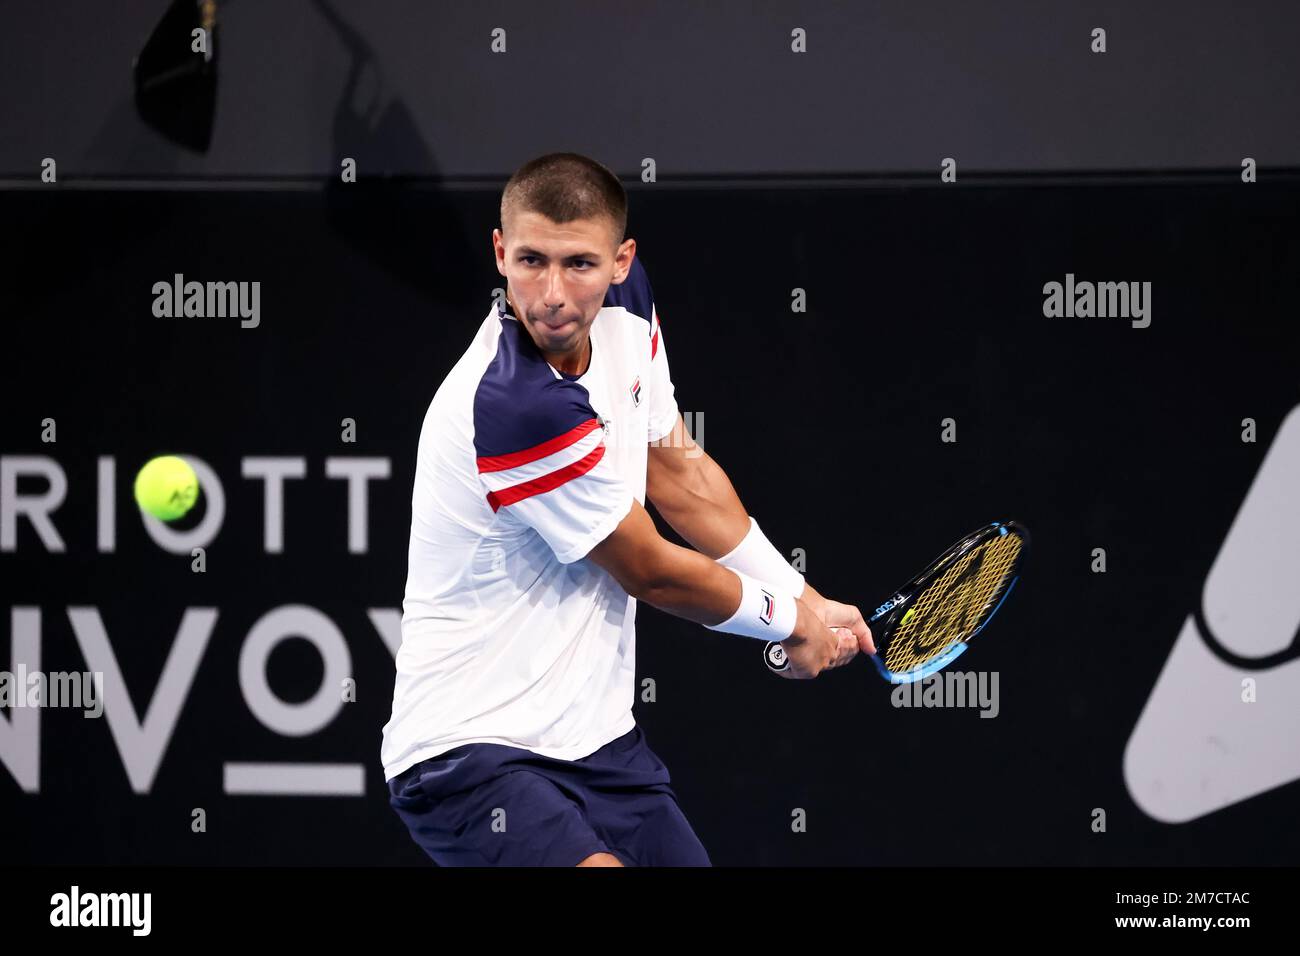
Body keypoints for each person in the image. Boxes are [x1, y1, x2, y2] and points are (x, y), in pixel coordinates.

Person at [382, 152, 874, 866]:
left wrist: (806, 596)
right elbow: (649, 569)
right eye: (530, 261)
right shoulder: (515, 405)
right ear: (499, 252)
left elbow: (678, 471)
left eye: (579, 264)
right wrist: (788, 619)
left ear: (622, 261)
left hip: (599, 745)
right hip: (469, 751)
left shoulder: (628, 309)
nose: (551, 293)